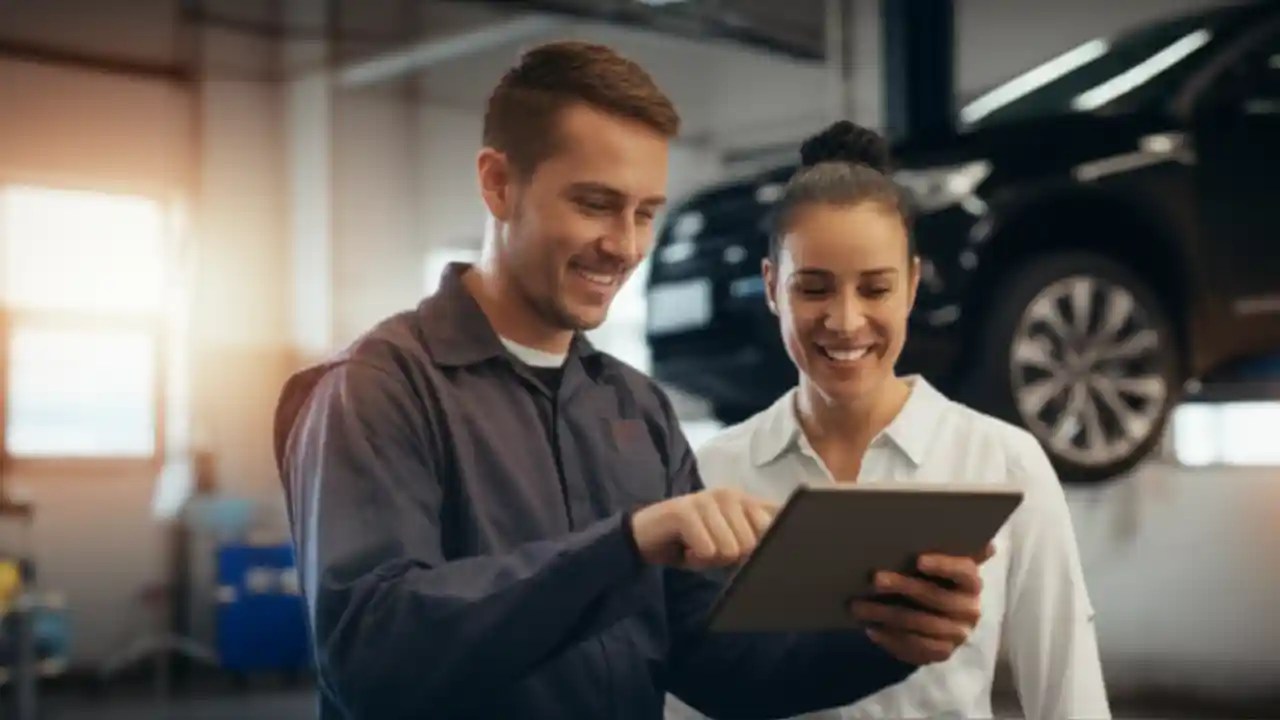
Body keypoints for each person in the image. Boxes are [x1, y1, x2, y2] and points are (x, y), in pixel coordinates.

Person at [274, 42, 994, 720]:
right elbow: (372, 657)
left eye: (645, 212)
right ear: (498, 183)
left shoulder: (634, 408)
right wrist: (625, 545)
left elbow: (713, 660)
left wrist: (881, 641)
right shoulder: (376, 389)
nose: (624, 245)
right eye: (594, 203)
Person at [667, 120, 1111, 720]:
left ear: (912, 287)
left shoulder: (1002, 463)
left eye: (875, 289)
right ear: (773, 288)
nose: (846, 322)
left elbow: (1067, 687)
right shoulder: (713, 472)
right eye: (814, 289)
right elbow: (690, 697)